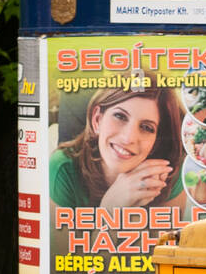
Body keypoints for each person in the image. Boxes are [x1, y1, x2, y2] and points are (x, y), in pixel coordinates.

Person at [50, 83, 187, 212]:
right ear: (97, 120)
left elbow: (169, 237)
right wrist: (111, 209)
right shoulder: (62, 168)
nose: (128, 138)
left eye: (147, 127)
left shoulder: (171, 172)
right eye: (120, 116)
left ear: (155, 142)